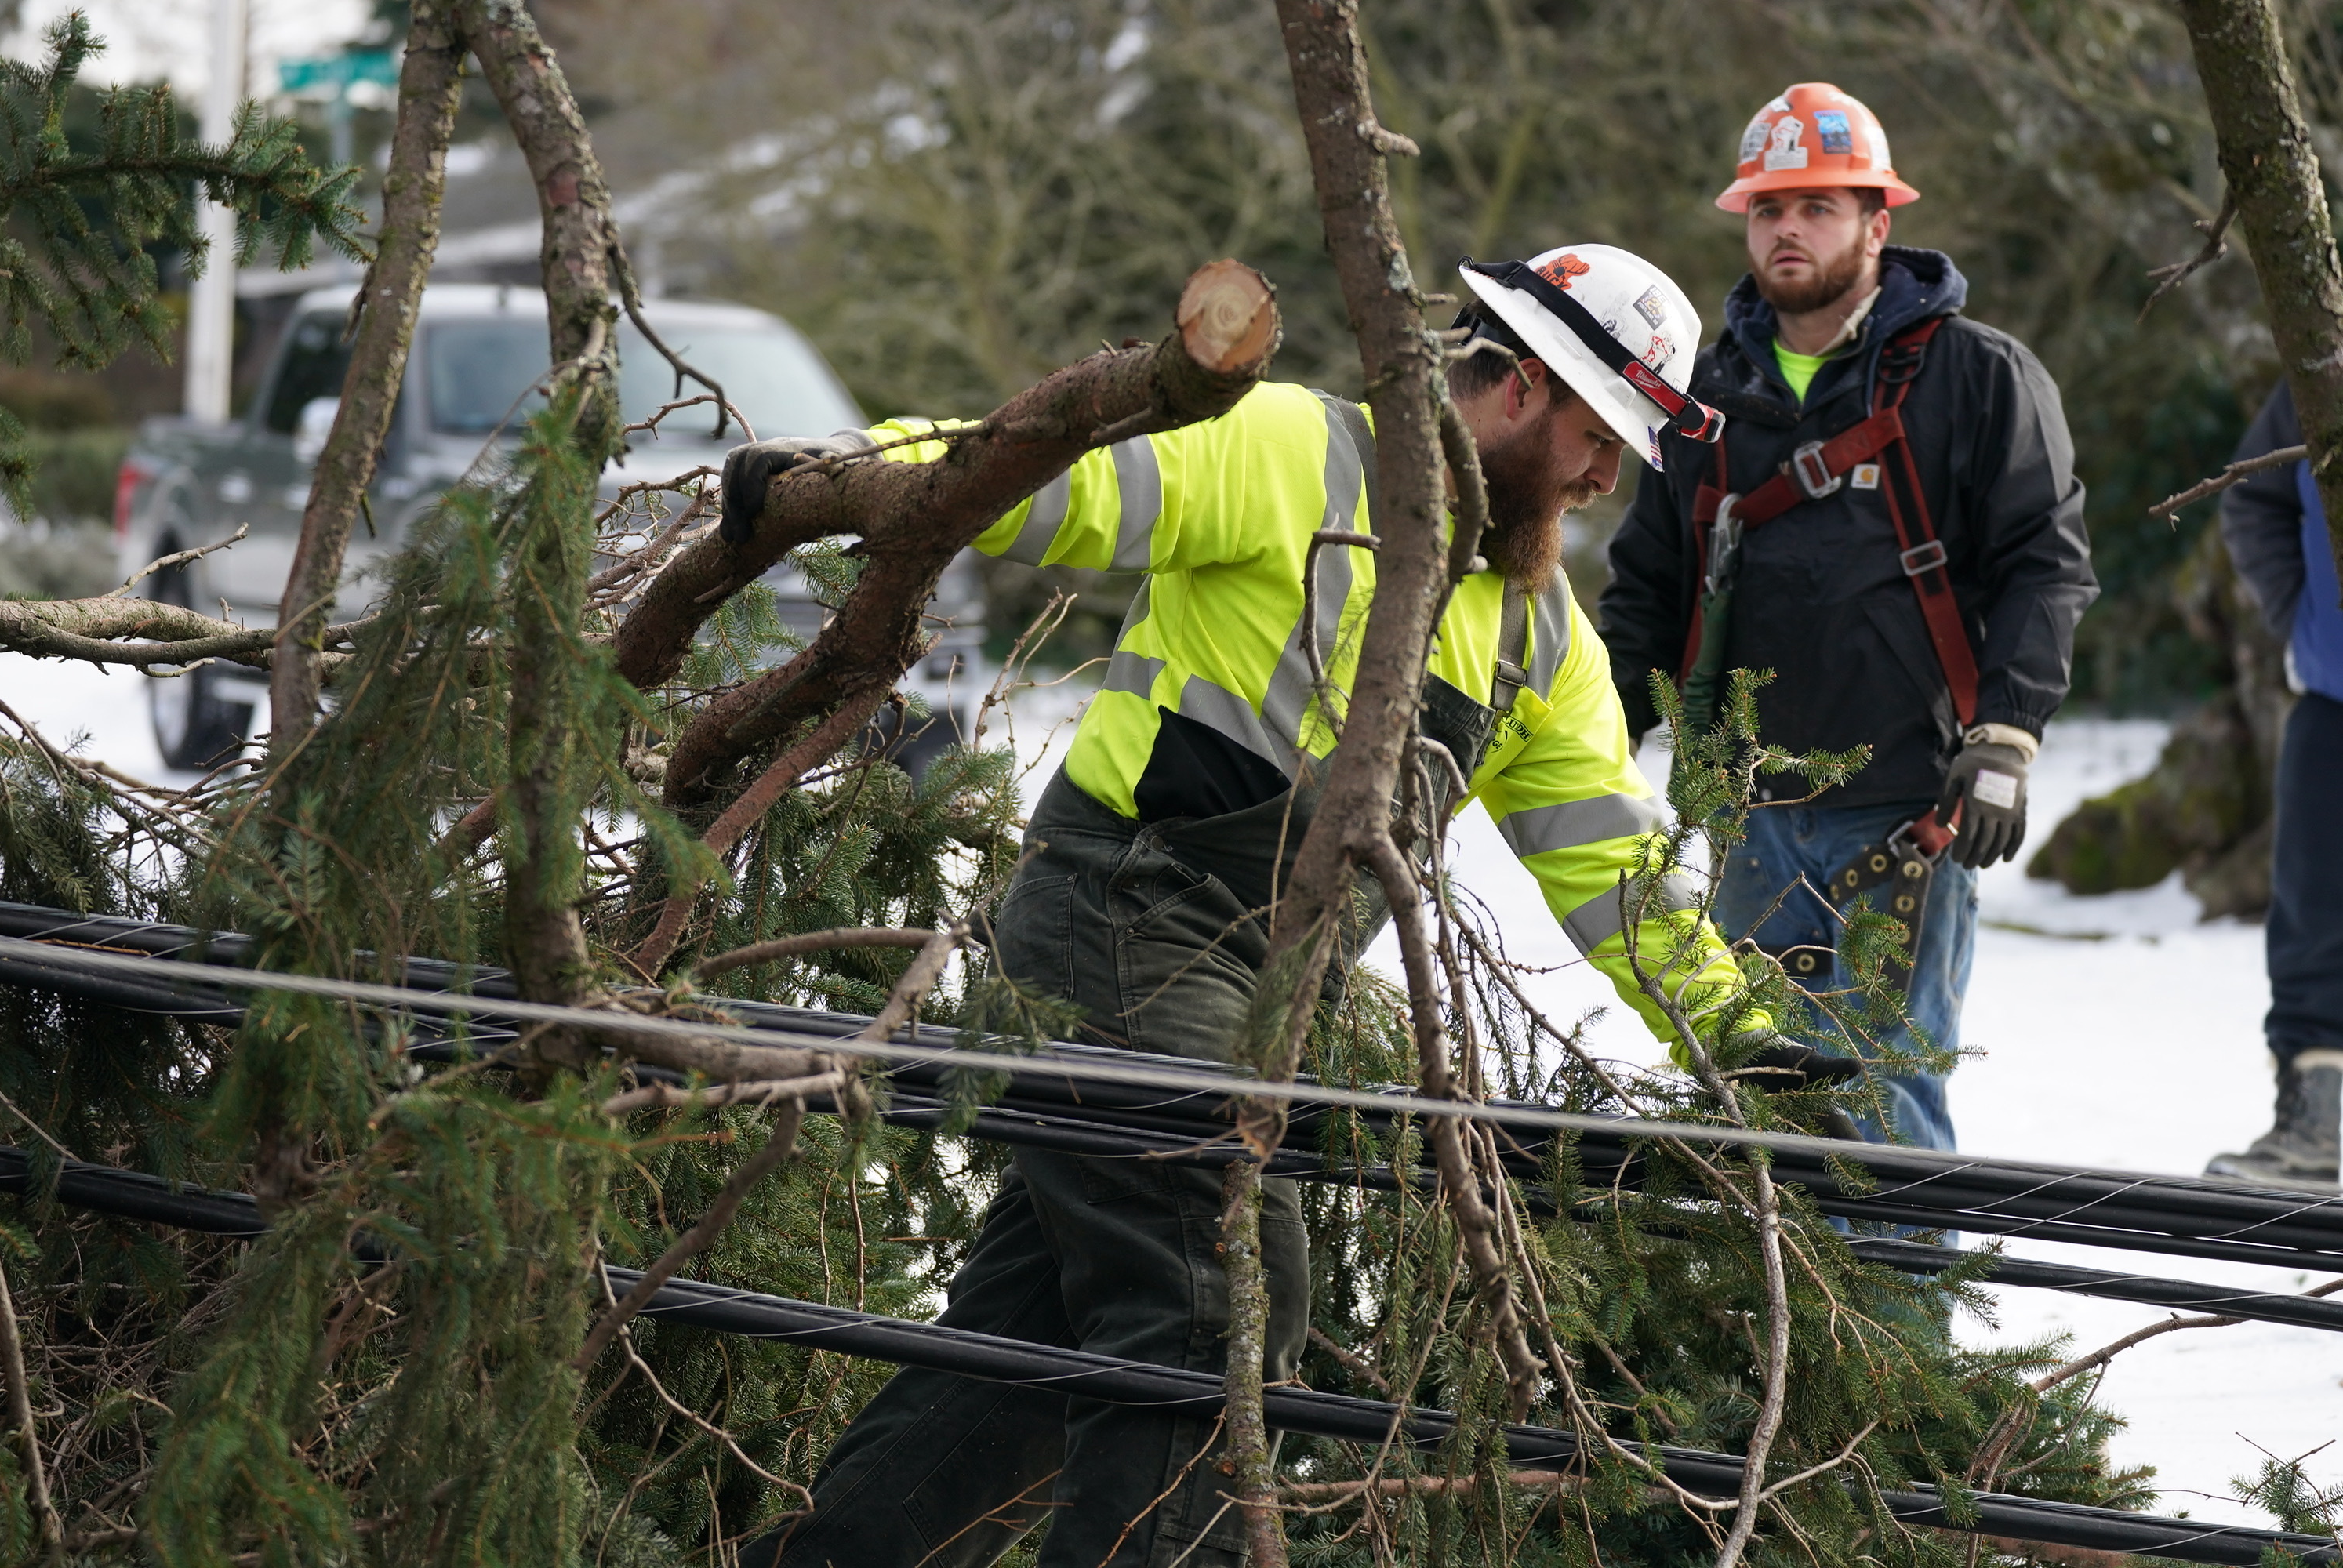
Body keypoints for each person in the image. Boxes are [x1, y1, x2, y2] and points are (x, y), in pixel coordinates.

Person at [719, 241, 1847, 1568]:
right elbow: (1042, 478)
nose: (1607, 483)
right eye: (1602, 441)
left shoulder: (1536, 636)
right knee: (1224, 1298)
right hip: (1113, 924)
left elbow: (1612, 866)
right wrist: (841, 475)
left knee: (1031, 1351)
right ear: (1528, 390)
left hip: (1243, 1005)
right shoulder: (1291, 451)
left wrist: (1732, 1026)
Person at [1600, 83, 2098, 1152]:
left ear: (1879, 224)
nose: (1788, 230)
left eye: (1818, 208)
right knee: (1753, 1108)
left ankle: (1903, 1326)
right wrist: (1587, 725)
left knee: (1888, 1107)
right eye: (1769, 209)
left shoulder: (1976, 378)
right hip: (1745, 821)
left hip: (1906, 815)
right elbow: (1647, 585)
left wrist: (2006, 734)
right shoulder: (1699, 395)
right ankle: (1769, 1326)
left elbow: (2045, 567)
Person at [2203, 379, 2343, 1192]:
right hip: (2333, 700)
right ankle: (2313, 1125)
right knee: (2310, 924)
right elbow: (2250, 499)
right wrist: (2306, 622)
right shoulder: (2322, 367)